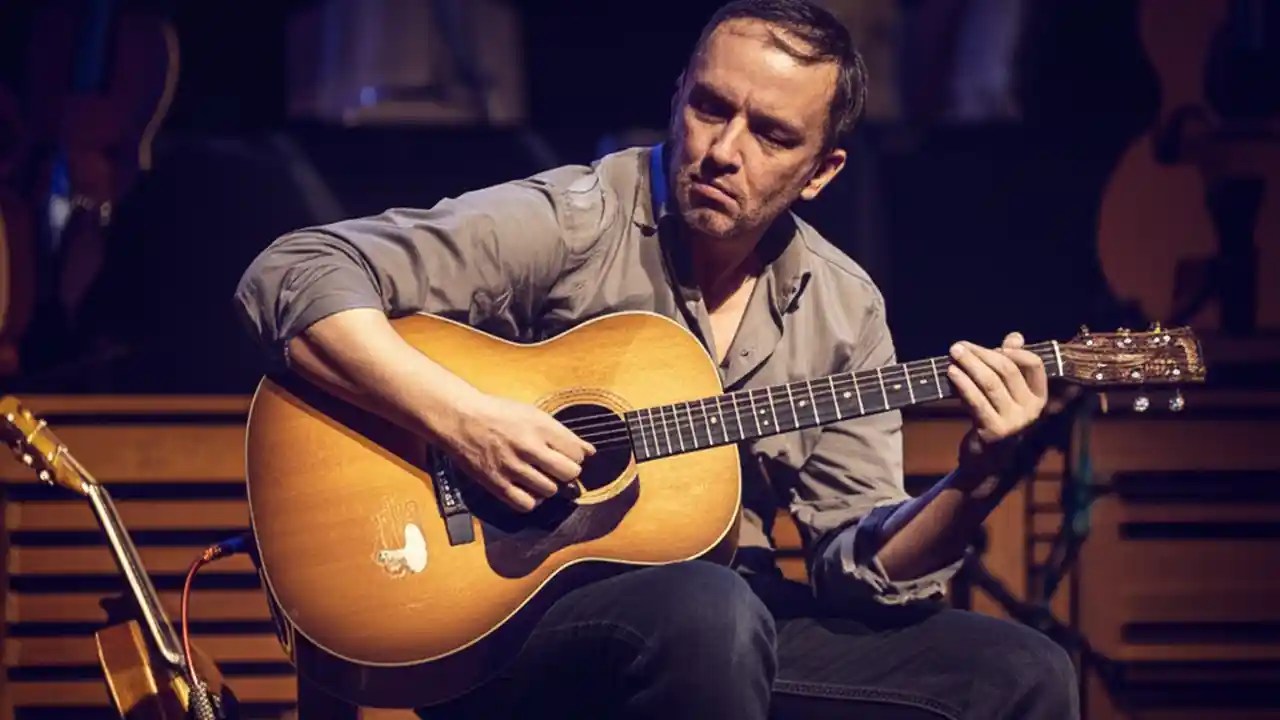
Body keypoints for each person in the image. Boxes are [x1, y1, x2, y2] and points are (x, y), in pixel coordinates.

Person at [233, 1, 1079, 718]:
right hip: (511, 617)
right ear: (678, 95)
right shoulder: (578, 218)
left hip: (729, 624)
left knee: (1024, 673)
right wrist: (465, 423)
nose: (723, 150)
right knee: (710, 612)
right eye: (711, 107)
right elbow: (295, 272)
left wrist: (976, 480)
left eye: (771, 135)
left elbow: (854, 572)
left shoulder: (842, 304)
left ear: (822, 172)